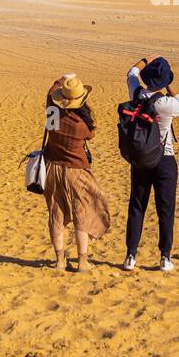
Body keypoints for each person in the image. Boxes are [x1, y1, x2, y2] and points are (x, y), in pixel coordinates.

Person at [41, 74, 110, 272]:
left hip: (52, 168)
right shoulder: (82, 125)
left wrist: (62, 80)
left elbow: (49, 94)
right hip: (76, 170)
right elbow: (92, 134)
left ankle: (60, 260)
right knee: (83, 212)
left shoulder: (52, 113)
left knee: (56, 213)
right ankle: (82, 261)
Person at [123, 56, 179, 272]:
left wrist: (144, 60)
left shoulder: (136, 94)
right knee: (165, 210)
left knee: (137, 207)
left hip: (140, 159)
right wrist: (168, 82)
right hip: (164, 160)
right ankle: (164, 257)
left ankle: (131, 255)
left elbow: (131, 73)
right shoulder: (166, 103)